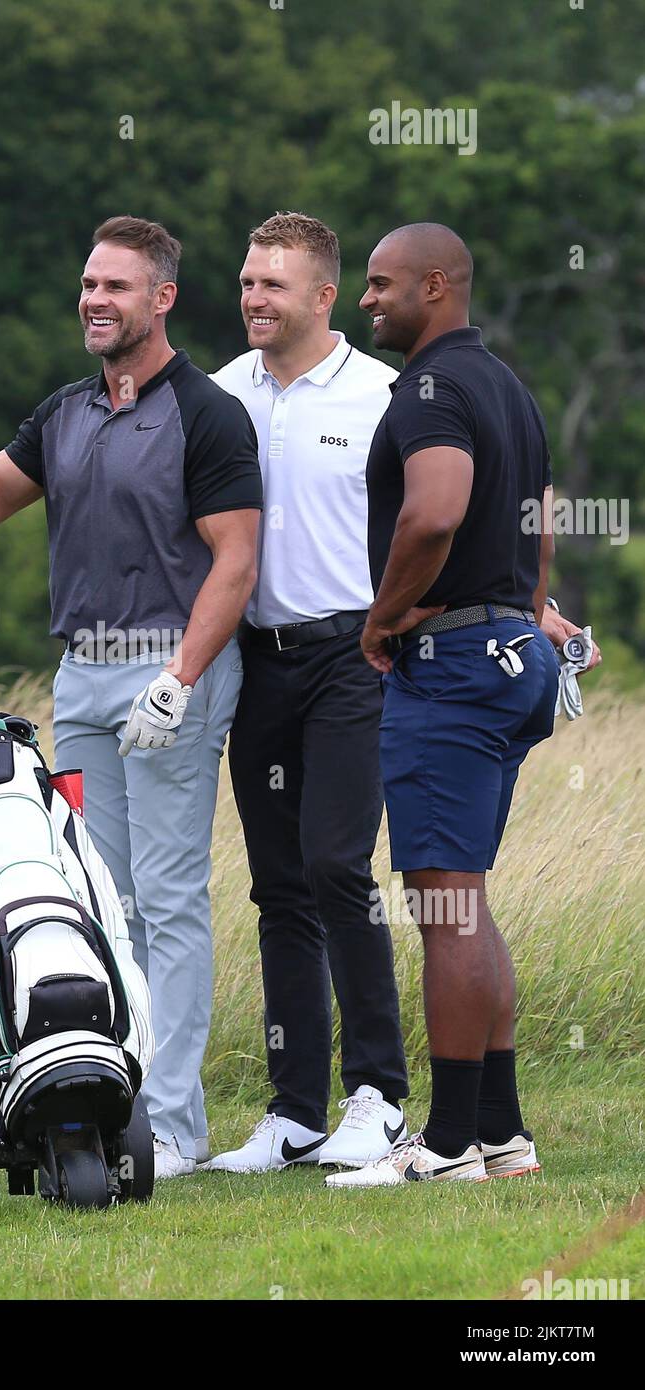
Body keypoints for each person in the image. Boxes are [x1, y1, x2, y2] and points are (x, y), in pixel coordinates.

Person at [0, 215, 263, 1180]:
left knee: (170, 898)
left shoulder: (207, 411)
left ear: (163, 299)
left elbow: (238, 559)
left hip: (168, 670)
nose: (96, 300)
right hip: (81, 679)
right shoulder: (62, 412)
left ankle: (176, 1125)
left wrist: (180, 682)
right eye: (89, 284)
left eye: (117, 287)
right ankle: (112, 1104)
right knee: (99, 901)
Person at [328, 222, 599, 1189]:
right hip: (509, 656)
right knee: (465, 898)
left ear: (434, 287)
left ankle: (445, 1146)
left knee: (442, 904)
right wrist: (530, 617)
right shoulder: (511, 390)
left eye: (380, 284)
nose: (368, 301)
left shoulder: (430, 389)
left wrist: (383, 616)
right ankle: (504, 1132)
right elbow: (542, 528)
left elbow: (437, 508)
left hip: (449, 663)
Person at [205, 212, 408, 1174]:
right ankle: (293, 1112)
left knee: (337, 866)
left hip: (353, 656)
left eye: (272, 285)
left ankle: (378, 1096)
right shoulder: (217, 396)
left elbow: (446, 511)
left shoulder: (382, 393)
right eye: (247, 282)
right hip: (259, 662)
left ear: (324, 297)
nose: (252, 298)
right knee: (279, 887)